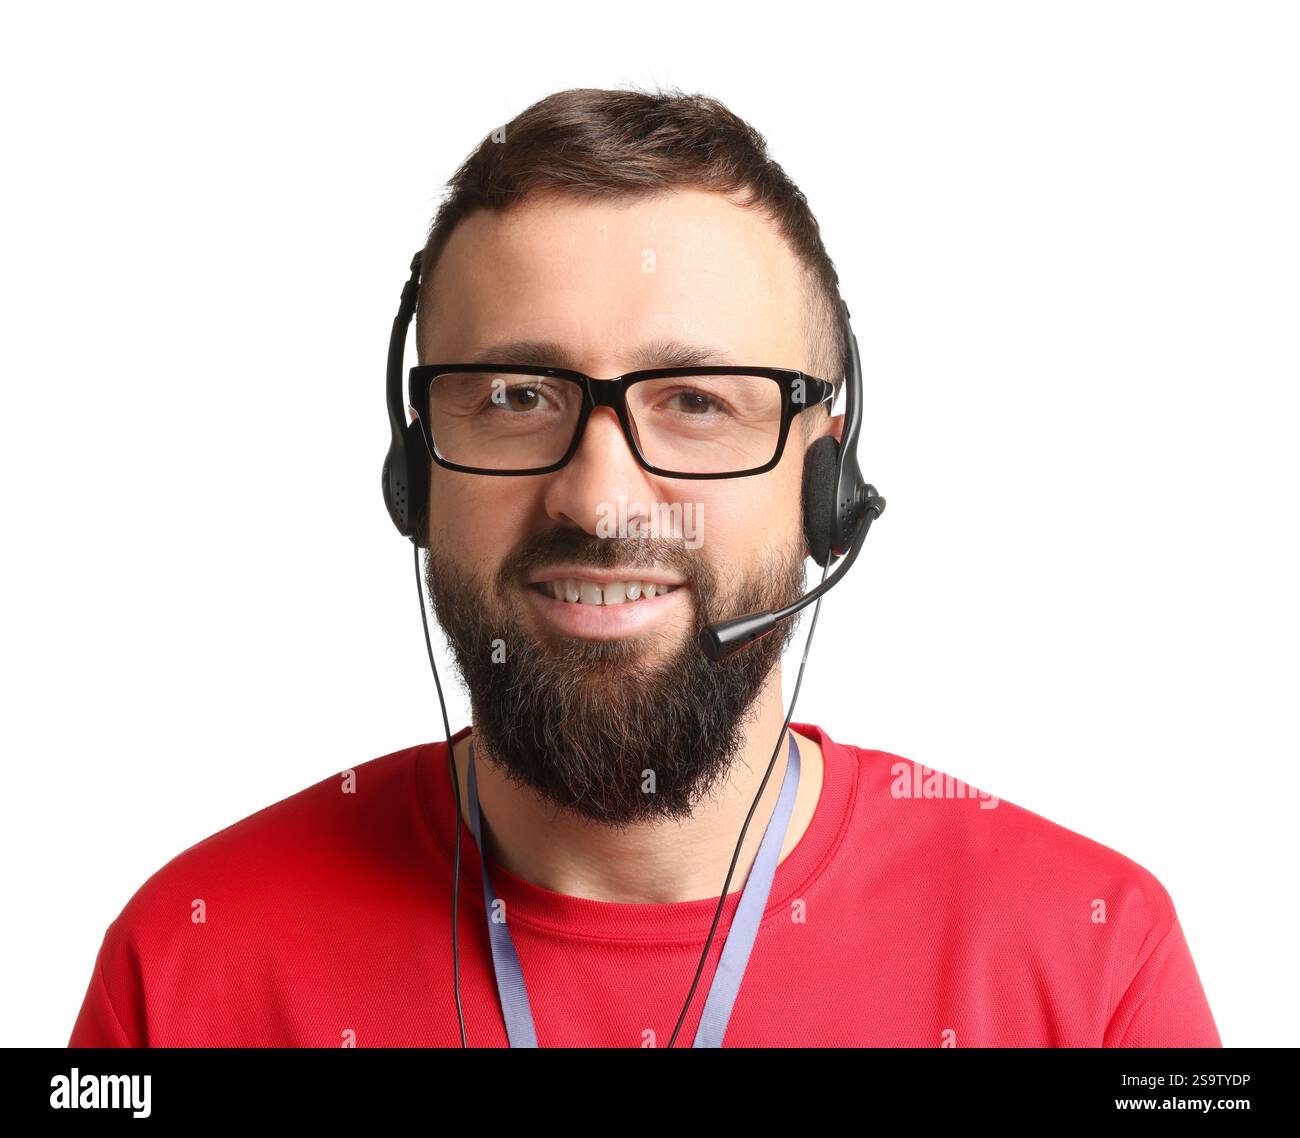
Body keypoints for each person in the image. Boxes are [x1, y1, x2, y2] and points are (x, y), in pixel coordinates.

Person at [68, 86, 1220, 1048]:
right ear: (414, 474)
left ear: (828, 484)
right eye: (517, 397)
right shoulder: (181, 970)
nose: (602, 497)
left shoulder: (1098, 961)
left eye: (696, 403)